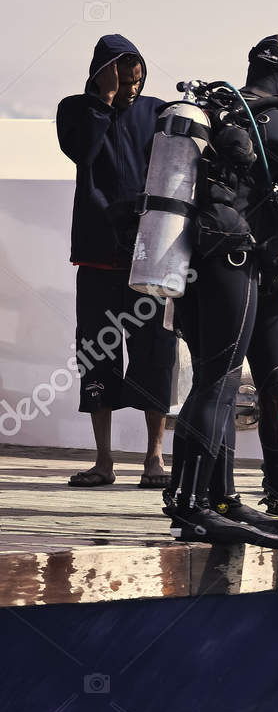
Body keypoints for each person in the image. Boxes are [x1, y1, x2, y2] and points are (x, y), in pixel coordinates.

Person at [163, 34, 278, 552]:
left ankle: (236, 494)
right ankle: (192, 503)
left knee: (249, 377)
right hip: (236, 257)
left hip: (214, 258)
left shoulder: (227, 112)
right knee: (220, 382)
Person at [54, 34, 178, 488]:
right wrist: (102, 100)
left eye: (138, 79)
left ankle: (154, 459)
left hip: (150, 260)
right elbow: (81, 151)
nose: (132, 88)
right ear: (103, 75)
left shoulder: (158, 112)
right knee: (98, 357)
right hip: (97, 259)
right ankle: (104, 461)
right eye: (124, 80)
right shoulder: (77, 109)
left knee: (156, 357)